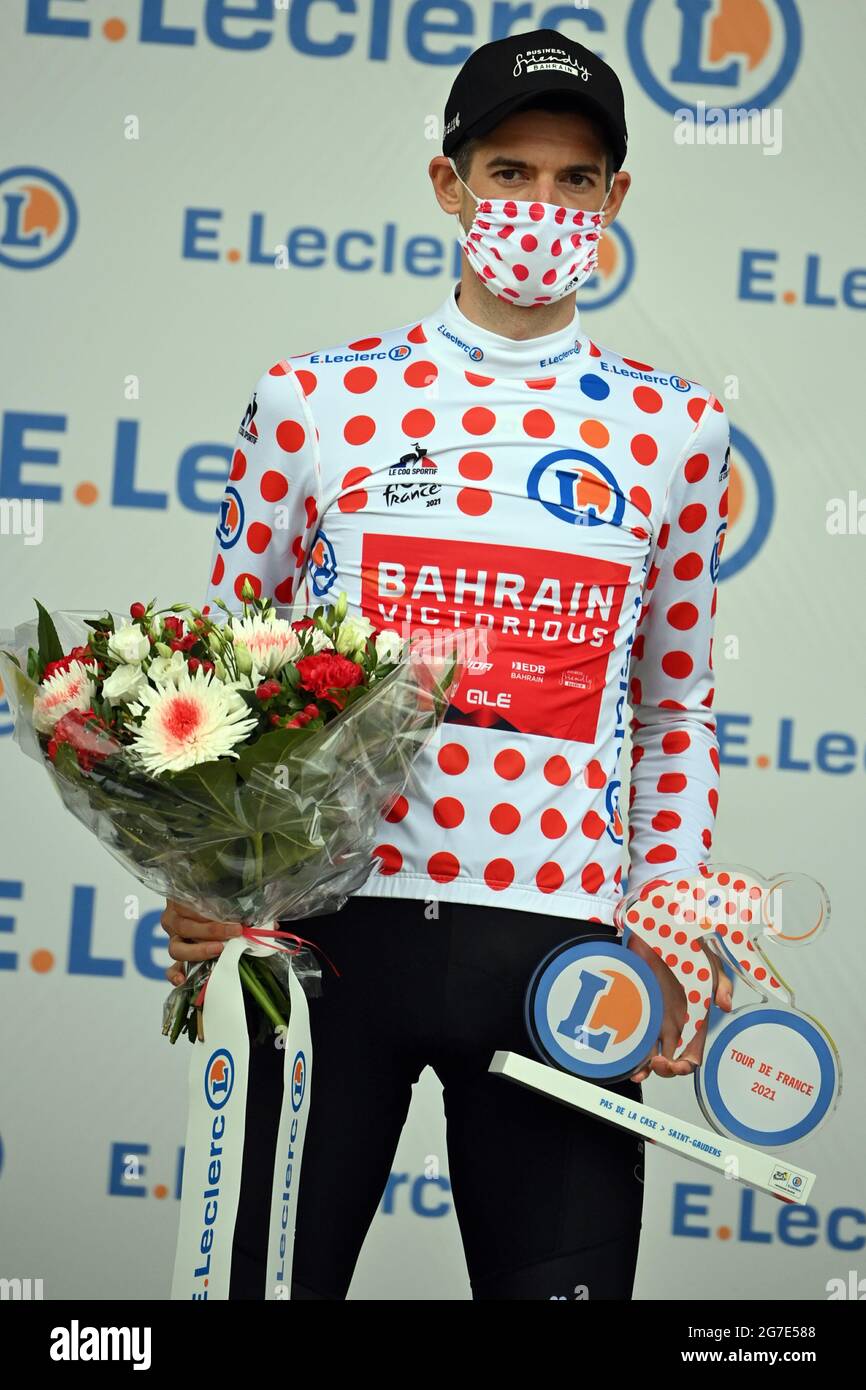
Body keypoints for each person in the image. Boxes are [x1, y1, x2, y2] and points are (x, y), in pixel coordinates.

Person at [161, 27, 733, 1300]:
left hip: (561, 969)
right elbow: (213, 680)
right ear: (448, 184)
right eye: (508, 171)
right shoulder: (314, 399)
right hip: (322, 943)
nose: (540, 205)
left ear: (614, 200)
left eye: (573, 180)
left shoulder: (676, 430)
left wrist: (670, 920)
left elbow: (675, 704)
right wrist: (207, 875)